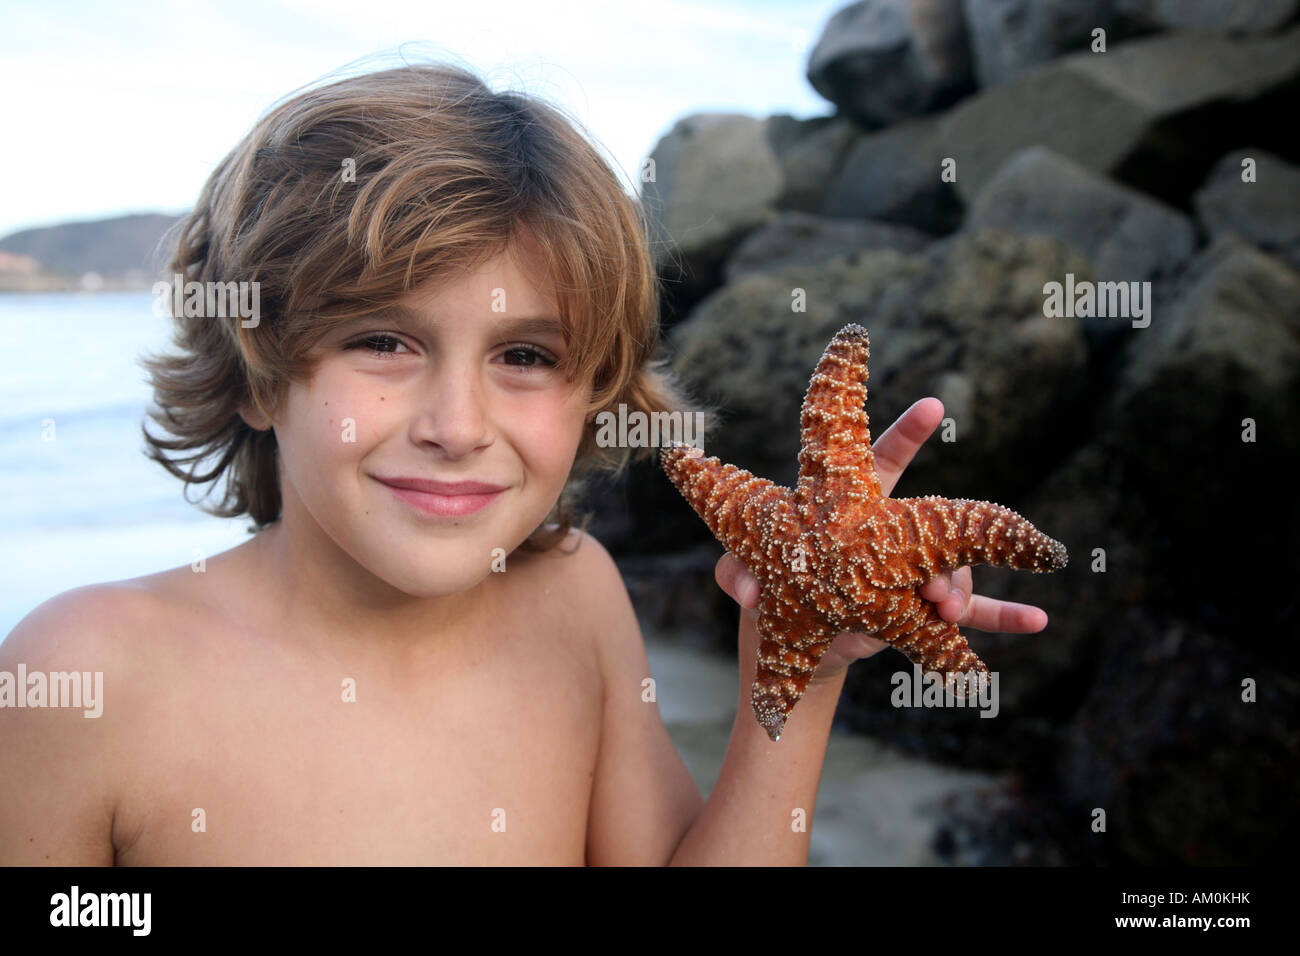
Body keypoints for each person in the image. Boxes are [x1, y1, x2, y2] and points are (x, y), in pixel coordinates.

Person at [0, 61, 1047, 865]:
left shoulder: (570, 596)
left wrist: (805, 666)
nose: (457, 422)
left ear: (595, 389)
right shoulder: (89, 677)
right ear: (256, 373)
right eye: (383, 341)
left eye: (525, 355)